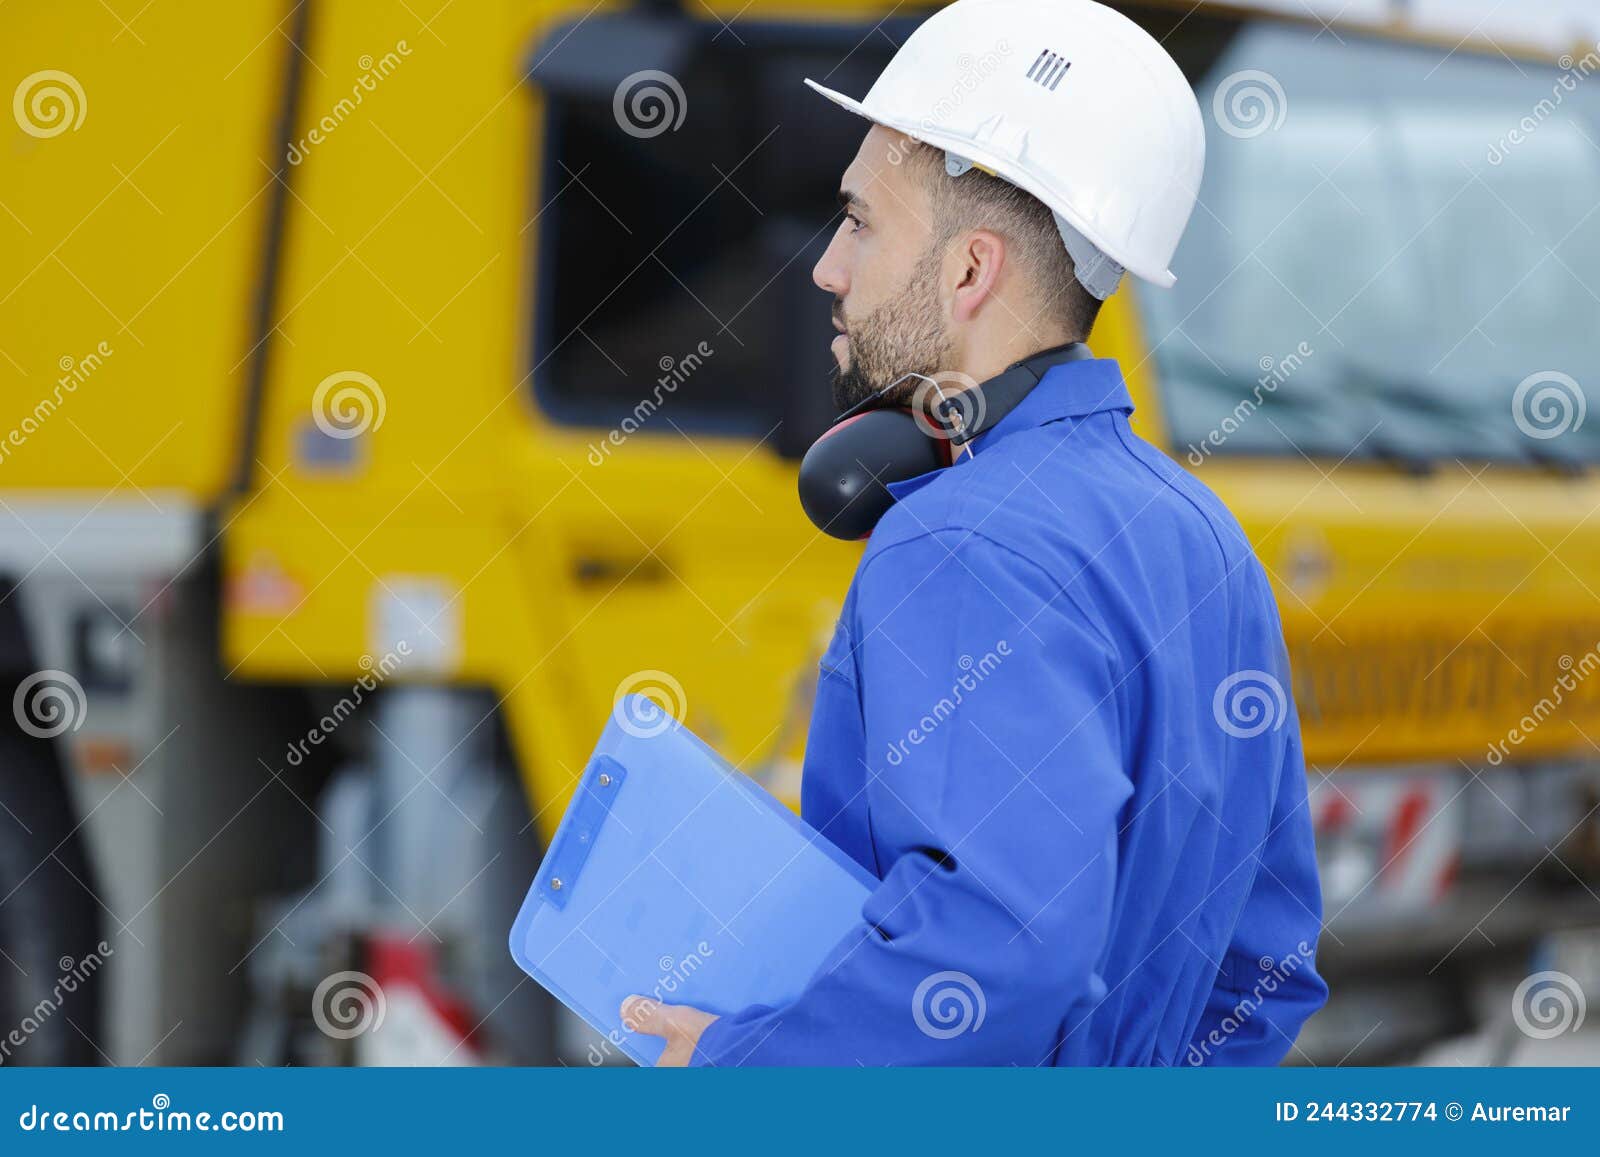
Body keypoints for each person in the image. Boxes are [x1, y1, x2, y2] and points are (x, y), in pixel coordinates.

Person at [625, 0, 1327, 1065]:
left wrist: (738, 1069)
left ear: (968, 271)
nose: (826, 267)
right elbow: (1266, 968)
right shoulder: (1200, 534)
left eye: (859, 222)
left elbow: (998, 947)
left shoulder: (957, 541)